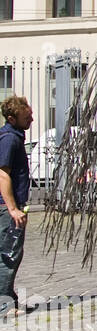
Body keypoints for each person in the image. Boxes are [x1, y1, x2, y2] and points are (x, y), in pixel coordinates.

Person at [0, 95, 34, 316]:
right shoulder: (9, 139)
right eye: (27, 116)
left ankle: (8, 298)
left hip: (10, 206)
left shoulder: (14, 136)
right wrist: (12, 209)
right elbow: (3, 173)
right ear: (12, 119)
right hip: (6, 207)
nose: (31, 119)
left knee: (11, 253)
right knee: (9, 253)